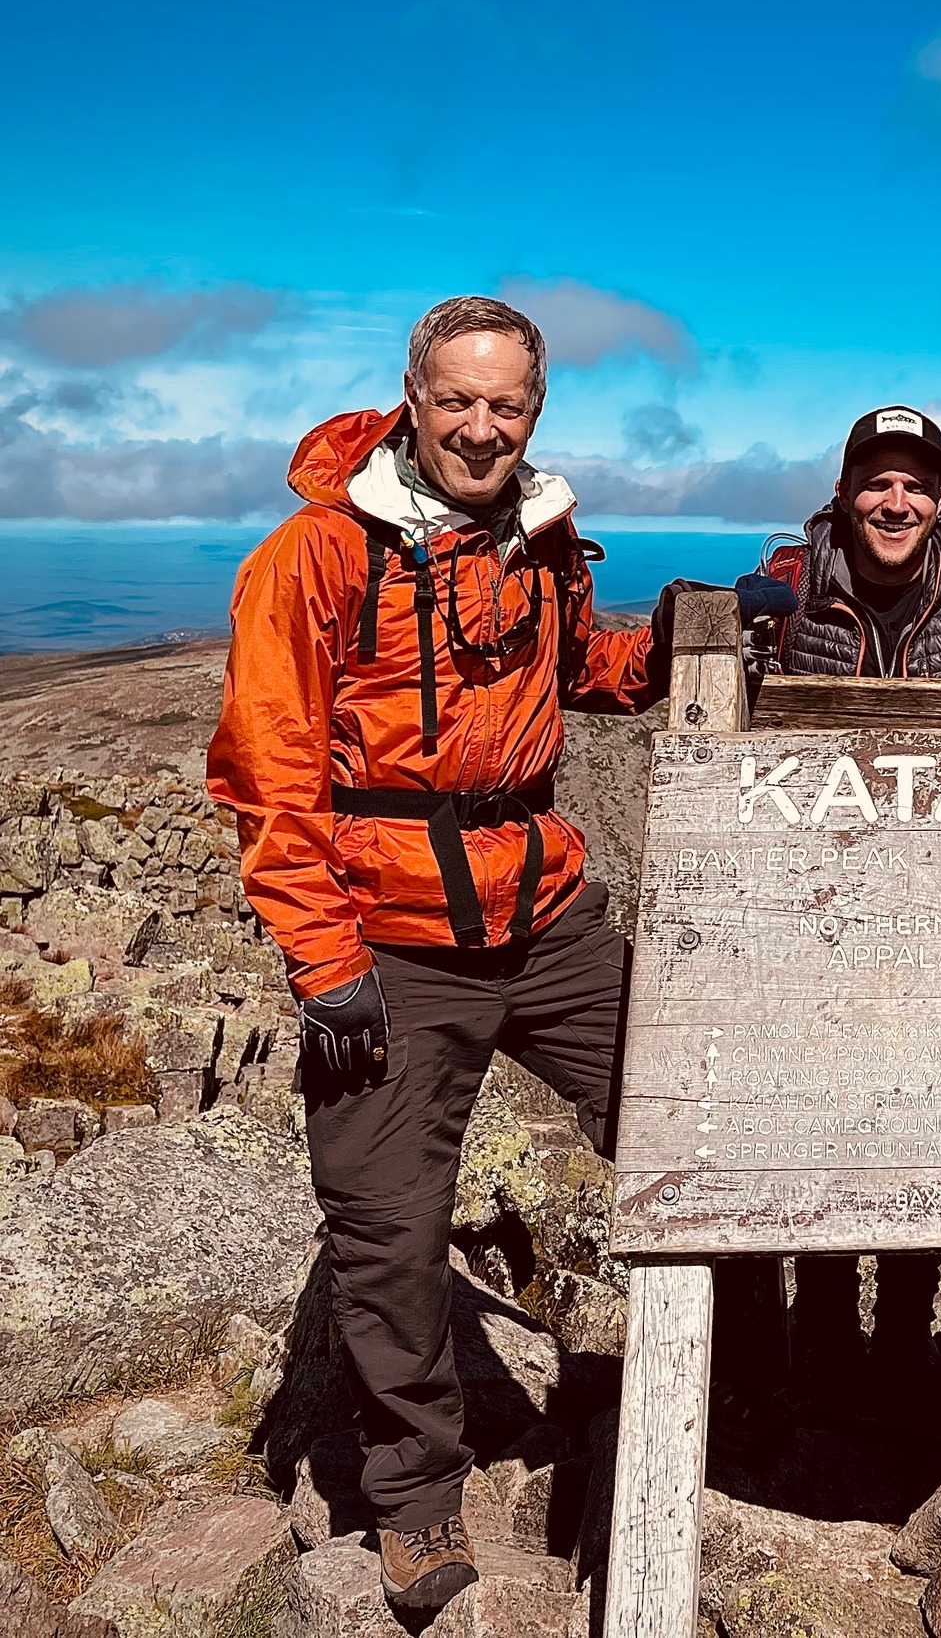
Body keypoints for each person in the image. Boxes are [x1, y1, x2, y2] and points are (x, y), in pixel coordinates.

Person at [208, 296, 701, 1615]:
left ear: (533, 413)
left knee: (690, 1104)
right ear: (411, 397)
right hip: (388, 938)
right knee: (388, 1223)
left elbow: (576, 665)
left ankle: (714, 1401)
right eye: (460, 399)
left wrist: (674, 645)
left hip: (541, 914)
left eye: (510, 405)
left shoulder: (536, 530)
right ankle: (416, 1499)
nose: (484, 425)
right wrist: (325, 964)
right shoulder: (316, 554)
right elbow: (269, 774)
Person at [739, 403, 941, 1409]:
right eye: (876, 480)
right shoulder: (785, 588)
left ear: (940, 497)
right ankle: (826, 1345)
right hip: (818, 914)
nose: (894, 499)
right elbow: (723, 731)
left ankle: (901, 1349)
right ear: (842, 492)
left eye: (913, 483)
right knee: (828, 1127)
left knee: (921, 1123)